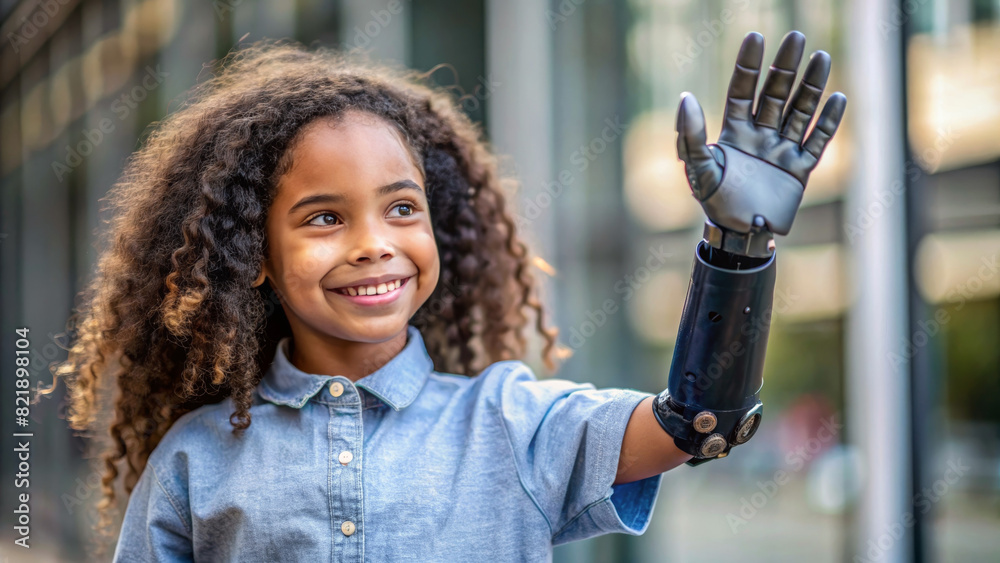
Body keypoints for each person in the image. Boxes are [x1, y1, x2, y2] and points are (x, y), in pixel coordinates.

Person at [42, 29, 843, 561]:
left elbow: (695, 424)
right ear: (255, 255)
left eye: (401, 208)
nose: (373, 242)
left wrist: (738, 252)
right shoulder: (196, 459)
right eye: (324, 217)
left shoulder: (515, 423)